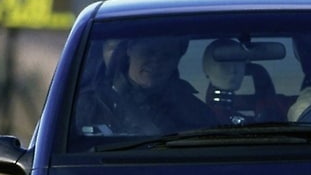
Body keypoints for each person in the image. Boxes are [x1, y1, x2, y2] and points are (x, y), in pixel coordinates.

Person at [74, 36, 218, 134]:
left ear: (177, 59)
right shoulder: (85, 106)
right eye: (149, 52)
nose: (156, 61)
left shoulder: (196, 113)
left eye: (166, 55)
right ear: (129, 50)